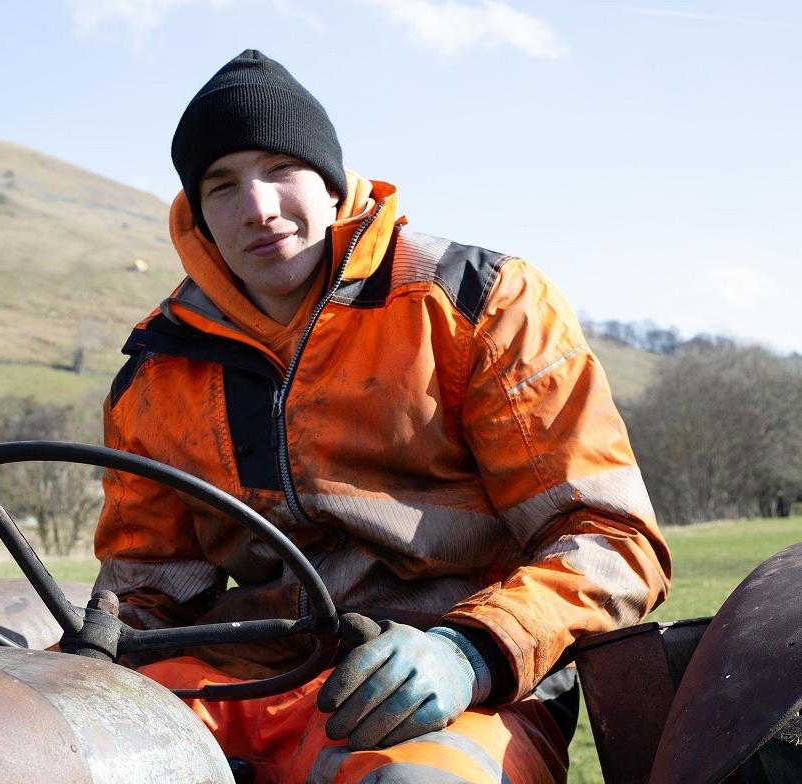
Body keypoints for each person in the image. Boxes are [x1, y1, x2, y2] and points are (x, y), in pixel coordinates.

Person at [92, 49, 671, 784]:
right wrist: (88, 659)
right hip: (243, 681)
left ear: (330, 183)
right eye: (222, 184)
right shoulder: (158, 371)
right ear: (198, 215)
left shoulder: (479, 302)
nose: (258, 207)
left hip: (458, 684)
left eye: (280, 170)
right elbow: (147, 590)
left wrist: (471, 651)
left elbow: (610, 538)